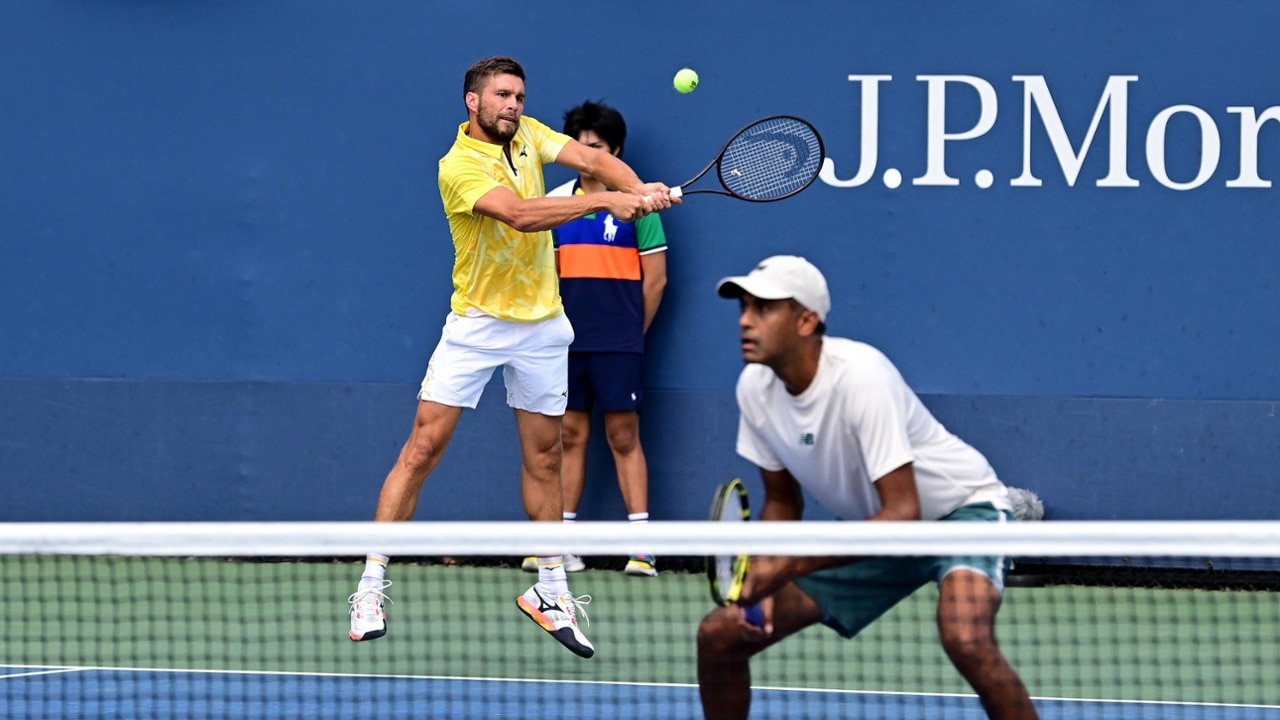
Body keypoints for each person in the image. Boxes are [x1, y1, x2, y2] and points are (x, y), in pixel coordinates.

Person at [346, 56, 675, 660]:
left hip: (543, 322)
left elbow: (595, 161)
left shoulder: (529, 135)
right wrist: (604, 205)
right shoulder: (458, 166)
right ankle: (370, 587)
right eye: (502, 95)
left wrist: (635, 187)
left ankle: (551, 591)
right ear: (473, 101)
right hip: (478, 321)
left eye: (519, 95)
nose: (513, 105)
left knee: (546, 455)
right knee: (423, 447)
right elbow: (523, 217)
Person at [697, 256, 1039, 719]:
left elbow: (903, 512)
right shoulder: (754, 390)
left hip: (961, 513)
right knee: (720, 635)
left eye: (763, 308)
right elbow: (782, 499)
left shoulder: (861, 375)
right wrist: (761, 571)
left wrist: (789, 563)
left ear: (805, 320)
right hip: (874, 532)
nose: (745, 320)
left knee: (965, 637)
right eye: (743, 307)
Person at [519, 101, 667, 577]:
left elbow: (656, 280)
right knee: (570, 435)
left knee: (624, 435)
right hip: (563, 341)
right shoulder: (559, 203)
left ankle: (642, 545)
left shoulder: (640, 206)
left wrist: (629, 334)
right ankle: (561, 544)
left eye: (596, 147)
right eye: (579, 146)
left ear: (614, 151)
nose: (586, 154)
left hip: (619, 341)